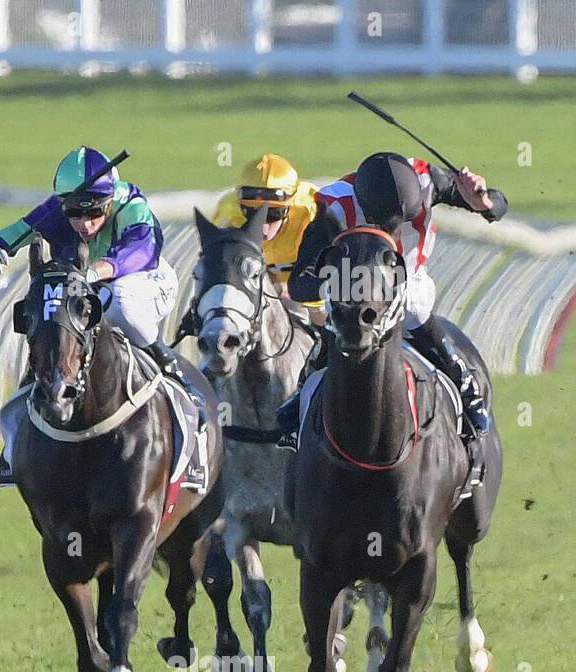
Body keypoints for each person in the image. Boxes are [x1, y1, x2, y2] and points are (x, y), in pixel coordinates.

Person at [0, 145, 201, 485]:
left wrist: (96, 271)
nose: (85, 224)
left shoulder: (131, 205)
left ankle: (173, 372)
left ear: (110, 200)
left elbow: (141, 251)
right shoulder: (55, 211)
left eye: (94, 213)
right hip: (85, 287)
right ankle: (20, 427)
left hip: (143, 279)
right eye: (75, 214)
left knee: (120, 304)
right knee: (51, 320)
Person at [277, 151, 507, 457]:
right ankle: (300, 409)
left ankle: (463, 382)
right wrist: (339, 280)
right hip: (351, 292)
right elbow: (299, 283)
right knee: (334, 333)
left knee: (412, 307)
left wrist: (483, 202)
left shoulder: (427, 180)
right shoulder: (333, 207)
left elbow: (497, 207)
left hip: (407, 280)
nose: (395, 232)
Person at [211, 152, 321, 310]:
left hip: (305, 288)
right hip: (258, 287)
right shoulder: (228, 212)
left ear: (291, 206)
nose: (262, 227)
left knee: (325, 320)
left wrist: (292, 289)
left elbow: (324, 272)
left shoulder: (311, 211)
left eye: (273, 214)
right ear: (240, 205)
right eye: (251, 213)